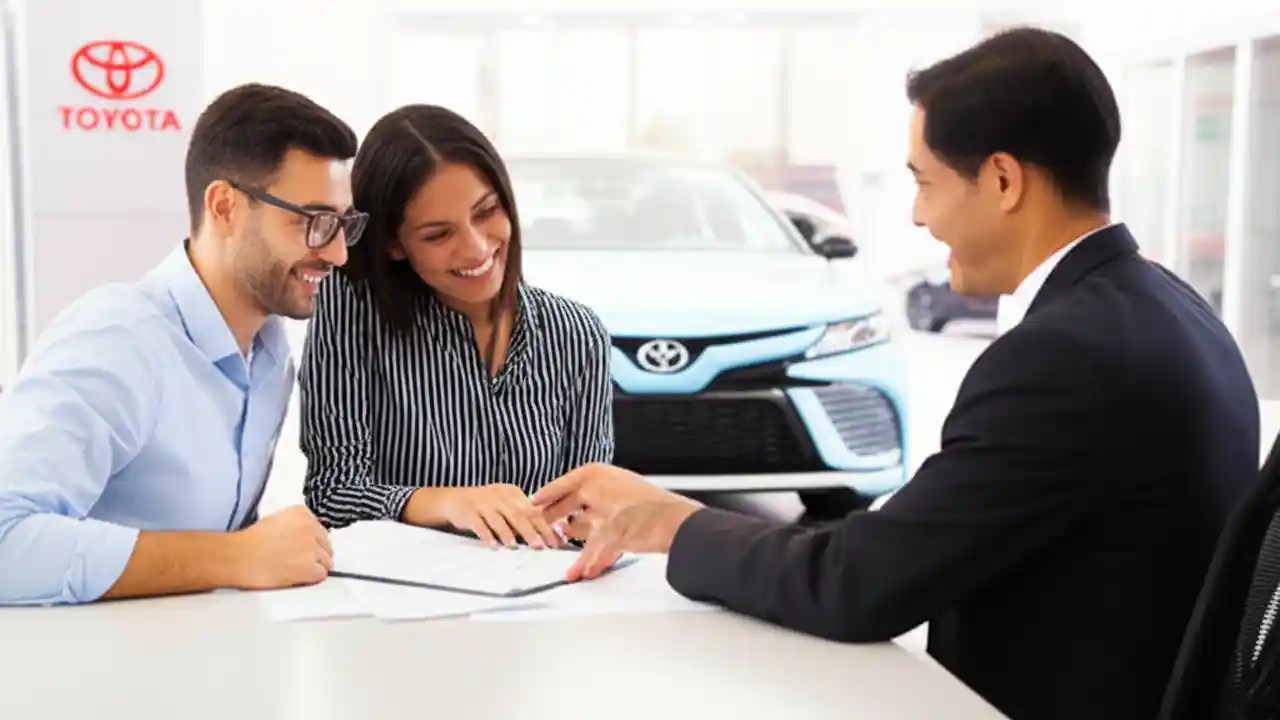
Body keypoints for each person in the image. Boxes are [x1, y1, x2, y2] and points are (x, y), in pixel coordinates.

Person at [533, 27, 1260, 720]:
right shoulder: (1176, 313)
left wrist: (675, 527)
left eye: (926, 183)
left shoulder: (1064, 358)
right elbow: (913, 537)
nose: (918, 216)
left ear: (1003, 180)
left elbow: (856, 585)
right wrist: (672, 511)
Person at [0, 83, 366, 605]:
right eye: (314, 222)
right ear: (225, 207)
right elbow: (6, 538)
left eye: (343, 225)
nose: (337, 254)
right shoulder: (119, 339)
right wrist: (236, 557)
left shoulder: (269, 354)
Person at [299, 105, 613, 548]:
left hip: (543, 585)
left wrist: (593, 525)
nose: (476, 248)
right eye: (438, 235)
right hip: (406, 588)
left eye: (486, 212)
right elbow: (332, 497)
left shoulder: (578, 335)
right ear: (393, 245)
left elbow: (588, 515)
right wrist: (446, 502)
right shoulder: (351, 311)